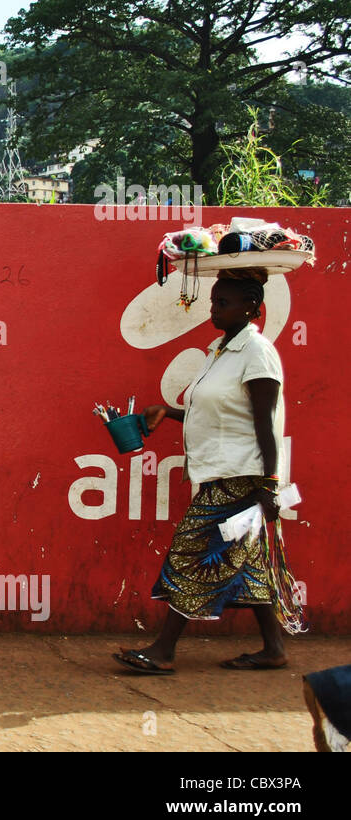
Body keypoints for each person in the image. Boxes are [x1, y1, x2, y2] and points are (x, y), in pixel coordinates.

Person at [114, 271, 291, 675]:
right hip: (219, 472)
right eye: (212, 302)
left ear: (250, 306)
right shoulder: (220, 350)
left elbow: (266, 424)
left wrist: (269, 486)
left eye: (222, 303)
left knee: (192, 554)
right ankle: (274, 648)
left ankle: (163, 650)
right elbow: (218, 412)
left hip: (242, 477)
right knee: (245, 564)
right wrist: (170, 412)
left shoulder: (257, 353)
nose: (213, 309)